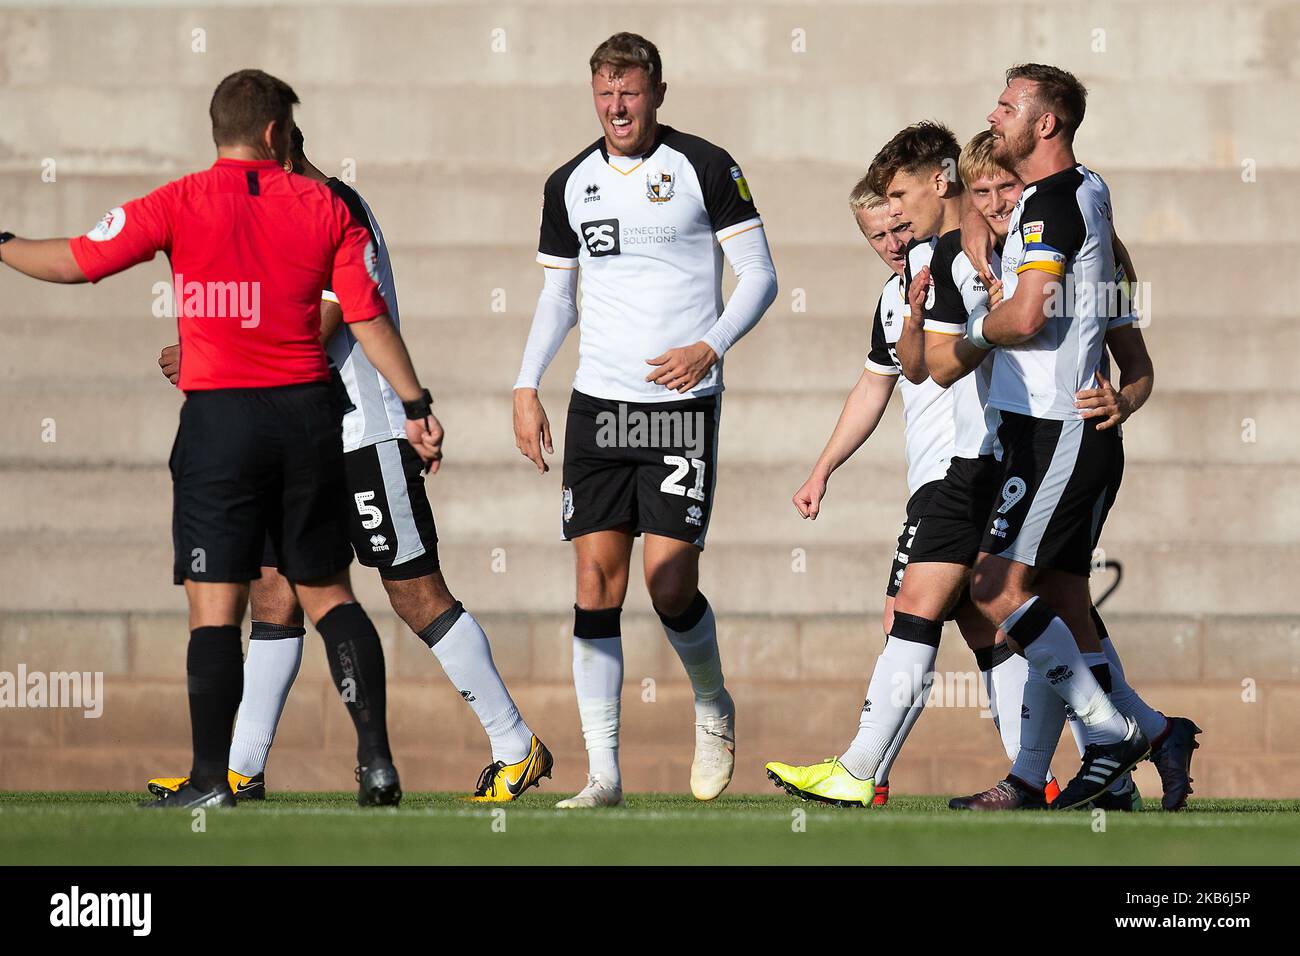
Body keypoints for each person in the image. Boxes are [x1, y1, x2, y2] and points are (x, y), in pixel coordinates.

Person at [0, 69, 437, 809]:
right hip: (307, 418)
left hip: (223, 424)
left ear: (220, 131)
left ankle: (212, 779)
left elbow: (76, 259)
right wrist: (416, 402)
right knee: (330, 592)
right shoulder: (326, 204)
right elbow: (366, 316)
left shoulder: (180, 200)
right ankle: (377, 763)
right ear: (275, 134)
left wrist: (4, 241)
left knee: (215, 604)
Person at [146, 126, 553, 804]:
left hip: (365, 432)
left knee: (414, 593)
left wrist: (211, 362)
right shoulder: (279, 214)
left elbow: (322, 323)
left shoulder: (335, 208)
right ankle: (240, 768)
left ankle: (516, 744)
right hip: (301, 440)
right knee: (275, 592)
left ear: (275, 142)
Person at [511, 32, 777, 808]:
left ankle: (711, 702)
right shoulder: (569, 181)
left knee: (666, 581)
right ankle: (605, 776)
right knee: (595, 581)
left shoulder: (705, 165)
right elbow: (559, 297)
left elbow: (759, 276)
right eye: (604, 93)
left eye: (629, 91)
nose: (617, 106)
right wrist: (527, 384)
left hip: (680, 407)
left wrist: (710, 347)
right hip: (599, 404)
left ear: (657, 91)